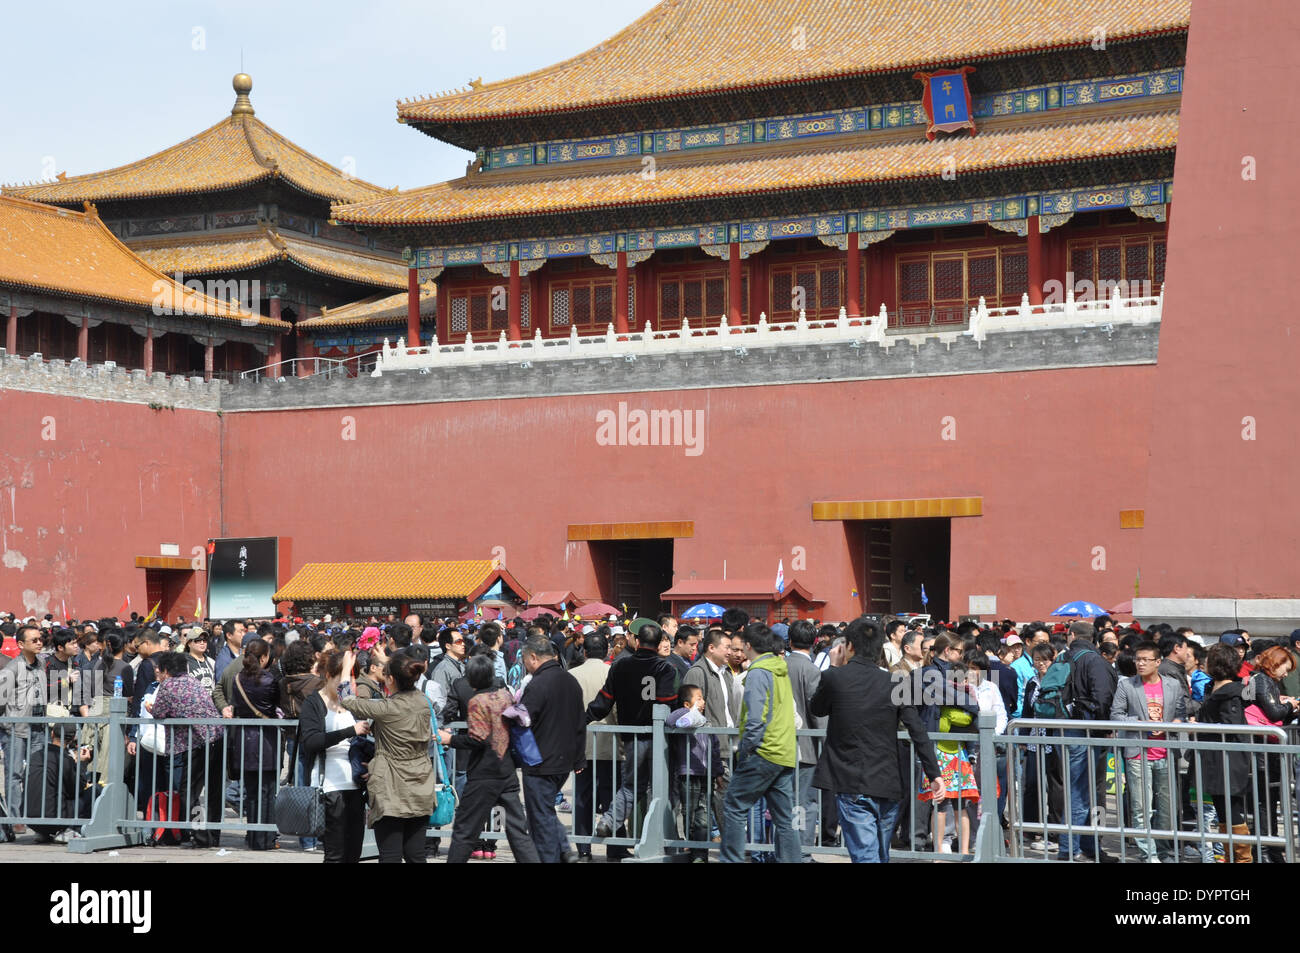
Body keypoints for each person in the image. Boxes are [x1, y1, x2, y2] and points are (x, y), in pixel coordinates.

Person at [811, 618, 942, 862]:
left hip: (851, 780)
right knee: (877, 855)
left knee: (867, 856)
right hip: (888, 781)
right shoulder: (895, 681)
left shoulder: (835, 678)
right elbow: (917, 730)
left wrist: (832, 667)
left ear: (849, 645)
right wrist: (934, 774)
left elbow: (817, 708)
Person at [437, 655, 540, 863]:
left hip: (484, 774)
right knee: (519, 833)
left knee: (464, 830)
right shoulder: (505, 696)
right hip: (507, 771)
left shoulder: (477, 701)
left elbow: (478, 739)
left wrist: (450, 739)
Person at [586, 623, 678, 842]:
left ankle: (608, 821)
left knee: (631, 786)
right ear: (658, 645)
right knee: (663, 788)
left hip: (631, 737)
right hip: (659, 739)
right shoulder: (666, 669)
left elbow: (604, 702)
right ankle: (665, 838)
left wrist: (584, 719)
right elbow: (666, 705)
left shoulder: (619, 666)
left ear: (637, 642)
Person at [340, 650, 435, 863]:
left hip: (391, 783)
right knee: (415, 854)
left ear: (390, 679)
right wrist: (388, 660)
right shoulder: (424, 701)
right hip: (420, 781)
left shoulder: (387, 708)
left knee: (390, 854)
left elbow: (346, 698)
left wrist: (347, 668)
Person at [720, 624, 800, 864]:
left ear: (748, 646)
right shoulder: (780, 669)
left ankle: (730, 859)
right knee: (784, 819)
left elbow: (755, 718)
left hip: (763, 751)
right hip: (784, 751)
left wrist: (746, 749)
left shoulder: (758, 672)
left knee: (734, 805)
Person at [1110, 639, 1187, 863]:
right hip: (1137, 753)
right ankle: (1149, 854)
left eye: (1146, 660)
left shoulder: (1172, 685)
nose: (1141, 664)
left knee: (1166, 808)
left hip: (1166, 752)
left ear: (1158, 661)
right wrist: (1142, 723)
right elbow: (1116, 715)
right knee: (1141, 807)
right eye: (1138, 660)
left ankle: (1164, 852)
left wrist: (1177, 721)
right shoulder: (1127, 685)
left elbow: (1181, 710)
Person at [298, 649, 369, 863]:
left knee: (354, 853)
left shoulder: (351, 704)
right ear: (328, 676)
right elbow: (311, 741)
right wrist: (350, 731)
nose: (348, 684)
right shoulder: (314, 703)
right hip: (329, 787)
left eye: (352, 678)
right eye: (344, 678)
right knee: (335, 854)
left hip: (355, 786)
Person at [519, 636, 585, 863]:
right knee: (545, 810)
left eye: (525, 659)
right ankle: (563, 850)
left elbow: (523, 719)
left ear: (534, 657)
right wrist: (578, 759)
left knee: (540, 816)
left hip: (539, 760)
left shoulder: (537, 684)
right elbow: (580, 722)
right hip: (563, 759)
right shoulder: (570, 680)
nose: (525, 664)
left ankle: (552, 856)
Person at [150, 650, 226, 848]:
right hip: (217, 736)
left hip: (197, 743)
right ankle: (214, 835)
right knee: (214, 791)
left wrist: (151, 708)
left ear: (166, 670)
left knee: (188, 792)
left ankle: (200, 835)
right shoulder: (193, 681)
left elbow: (159, 712)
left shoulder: (167, 686)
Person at [1057, 620, 1118, 863]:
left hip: (1064, 729)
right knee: (1084, 792)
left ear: (1071, 635)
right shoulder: (1095, 661)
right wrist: (1104, 727)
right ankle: (1071, 849)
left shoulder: (1063, 659)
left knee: (1080, 790)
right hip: (1087, 731)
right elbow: (1103, 697)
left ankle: (1086, 846)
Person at [1198, 642, 1254, 863]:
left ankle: (1242, 859)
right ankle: (1232, 856)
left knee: (1232, 809)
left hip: (1227, 759)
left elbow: (1231, 727)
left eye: (1208, 659)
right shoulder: (1215, 688)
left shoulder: (1231, 693)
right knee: (1223, 810)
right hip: (1215, 759)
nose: (1204, 662)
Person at [1241, 645, 1297, 862]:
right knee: (1264, 803)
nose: (1286, 673)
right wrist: (1291, 705)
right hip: (1262, 752)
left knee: (1268, 802)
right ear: (1275, 663)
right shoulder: (1261, 681)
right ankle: (1265, 850)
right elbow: (1273, 713)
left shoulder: (1264, 680)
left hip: (1267, 750)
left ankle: (1271, 848)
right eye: (1285, 667)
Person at [228, 639, 282, 850]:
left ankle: (252, 836)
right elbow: (275, 705)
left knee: (251, 792)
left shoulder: (237, 679)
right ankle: (265, 839)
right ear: (264, 657)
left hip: (244, 739)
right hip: (266, 739)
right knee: (267, 791)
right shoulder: (270, 680)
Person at [667, 684, 725, 862]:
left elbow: (714, 749)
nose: (703, 701)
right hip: (689, 773)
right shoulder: (682, 714)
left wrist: (718, 772)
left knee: (704, 815)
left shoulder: (705, 721)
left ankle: (701, 854)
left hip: (706, 774)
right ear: (686, 704)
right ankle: (693, 851)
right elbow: (672, 720)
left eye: (702, 698)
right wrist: (690, 714)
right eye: (698, 698)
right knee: (690, 814)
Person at [0, 624, 47, 830]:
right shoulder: (11, 669)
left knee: (36, 772)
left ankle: (35, 813)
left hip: (39, 726)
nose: (39, 643)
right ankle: (15, 818)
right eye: (34, 640)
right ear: (20, 644)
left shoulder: (41, 664)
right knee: (14, 773)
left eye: (40, 639)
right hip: (16, 727)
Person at [785, 619, 822, 860]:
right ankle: (803, 853)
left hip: (780, 746)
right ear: (815, 643)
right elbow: (817, 712)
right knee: (805, 804)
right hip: (806, 747)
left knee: (785, 804)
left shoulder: (780, 665)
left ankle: (786, 851)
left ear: (789, 641)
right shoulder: (812, 670)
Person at [182, 627, 216, 699]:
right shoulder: (182, 662)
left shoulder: (211, 662)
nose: (202, 643)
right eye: (198, 640)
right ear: (189, 643)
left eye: (204, 640)